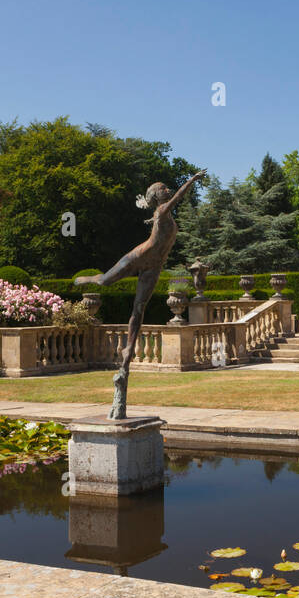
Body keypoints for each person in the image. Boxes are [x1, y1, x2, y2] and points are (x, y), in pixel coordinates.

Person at [78, 170, 206, 418]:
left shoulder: (161, 214)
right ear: (156, 196)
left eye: (166, 188)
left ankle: (129, 349)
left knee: (139, 308)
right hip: (140, 256)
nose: (166, 189)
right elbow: (178, 197)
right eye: (162, 189)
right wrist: (191, 180)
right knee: (105, 281)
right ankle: (88, 278)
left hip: (154, 265)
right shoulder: (162, 210)